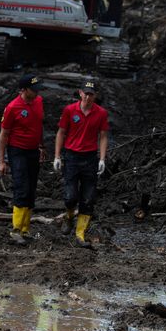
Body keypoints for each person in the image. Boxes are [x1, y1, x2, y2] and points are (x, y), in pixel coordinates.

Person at [53, 79, 109, 247]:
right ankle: (69, 217)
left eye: (91, 94)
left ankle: (80, 235)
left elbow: (104, 136)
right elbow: (61, 132)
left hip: (90, 158)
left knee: (88, 198)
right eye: (85, 93)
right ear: (80, 93)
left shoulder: (101, 113)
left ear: (95, 96)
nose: (88, 97)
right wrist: (57, 156)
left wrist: (102, 159)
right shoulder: (70, 110)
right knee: (70, 197)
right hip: (72, 157)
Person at [0, 74, 45, 244]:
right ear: (23, 90)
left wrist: (41, 146)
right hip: (17, 151)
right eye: (33, 89)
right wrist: (1, 161)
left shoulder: (38, 101)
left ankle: (25, 229)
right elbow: (4, 134)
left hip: (33, 150)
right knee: (21, 187)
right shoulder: (13, 107)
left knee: (31, 188)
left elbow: (38, 125)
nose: (37, 92)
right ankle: (16, 230)